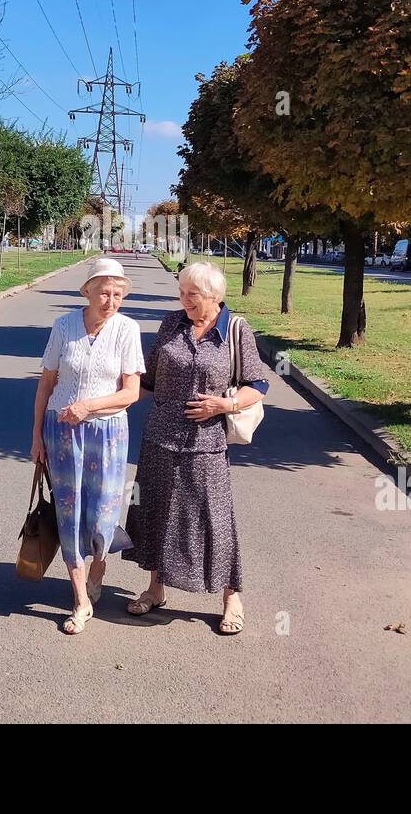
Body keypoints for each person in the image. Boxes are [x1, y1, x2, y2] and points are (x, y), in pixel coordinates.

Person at [124, 260, 268, 635]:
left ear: (215, 296)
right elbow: (148, 378)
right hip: (159, 437)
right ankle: (155, 588)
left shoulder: (235, 330)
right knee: (155, 510)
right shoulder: (171, 324)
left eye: (194, 294)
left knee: (213, 518)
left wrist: (224, 405)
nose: (185, 300)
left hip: (207, 443)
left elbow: (258, 384)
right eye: (182, 292)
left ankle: (231, 596)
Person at [31, 258, 145, 635]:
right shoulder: (63, 326)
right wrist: (36, 438)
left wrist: (89, 406)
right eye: (103, 293)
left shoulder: (127, 329)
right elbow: (46, 385)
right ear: (87, 291)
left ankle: (98, 564)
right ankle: (80, 599)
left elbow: (131, 393)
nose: (110, 301)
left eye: (117, 295)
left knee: (102, 514)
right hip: (61, 432)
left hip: (108, 433)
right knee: (70, 512)